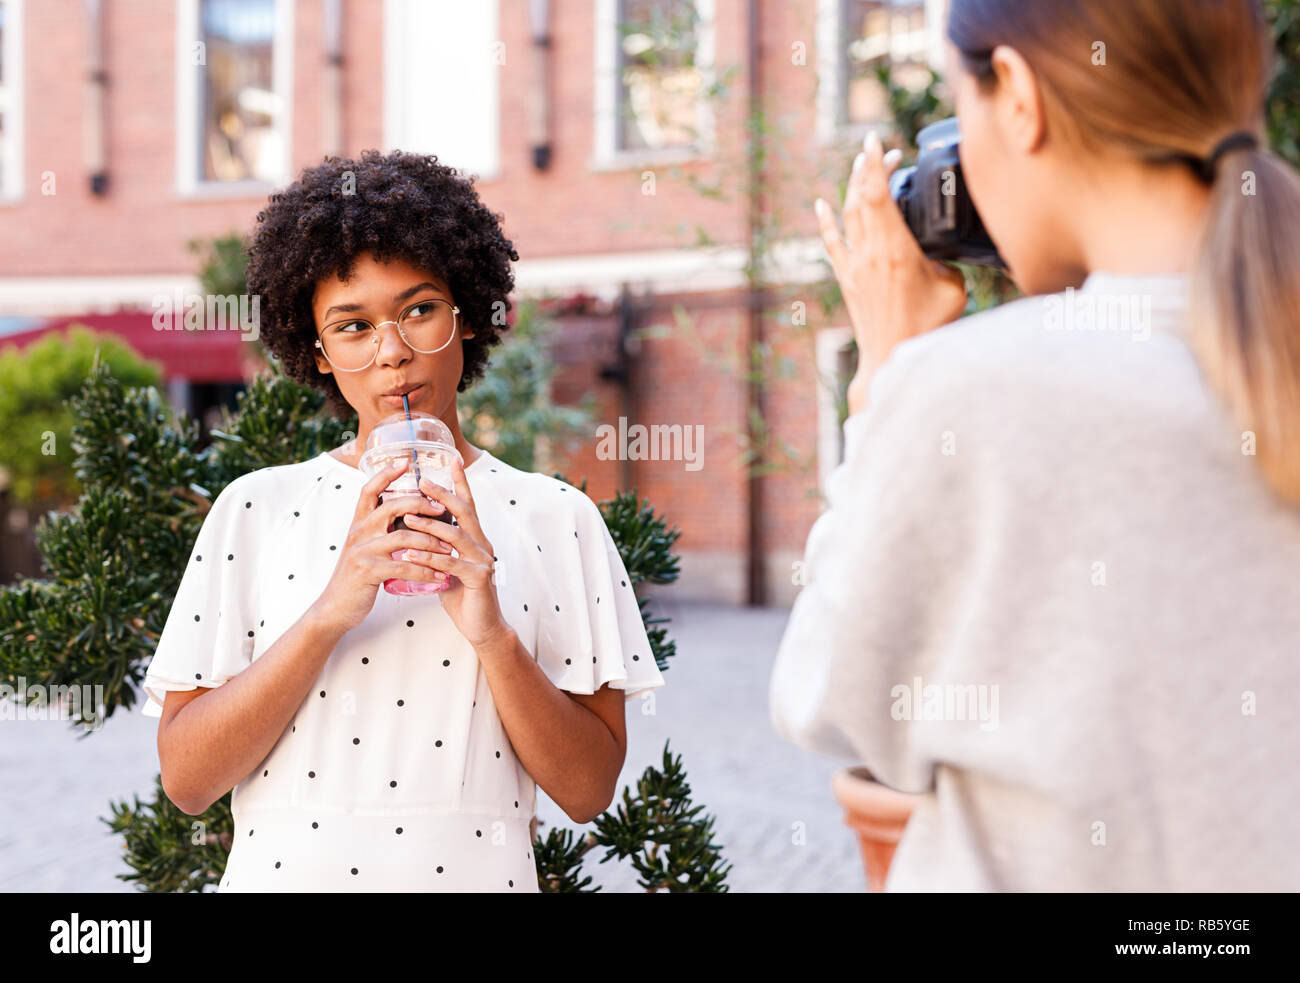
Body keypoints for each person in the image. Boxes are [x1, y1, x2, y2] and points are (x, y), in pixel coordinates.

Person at [770, 0, 1300, 890]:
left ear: (1016, 94)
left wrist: (889, 379)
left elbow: (832, 701)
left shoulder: (976, 390)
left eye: (957, 109)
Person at [141, 149, 665, 892]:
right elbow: (189, 780)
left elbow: (586, 791)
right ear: (317, 352)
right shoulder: (254, 509)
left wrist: (492, 635)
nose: (392, 352)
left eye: (419, 309)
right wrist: (329, 612)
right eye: (352, 326)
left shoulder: (559, 518)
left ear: (468, 317)